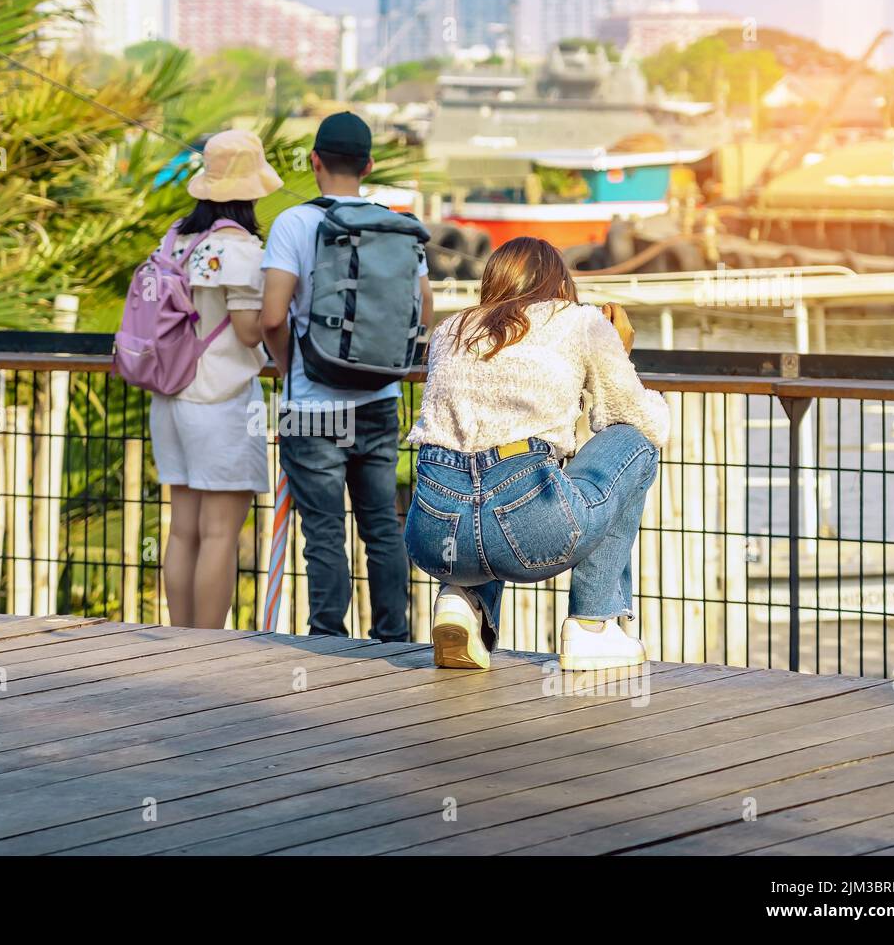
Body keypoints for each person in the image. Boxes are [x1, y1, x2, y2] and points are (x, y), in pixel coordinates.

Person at [404, 236, 670, 670]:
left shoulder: (450, 329)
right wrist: (617, 350)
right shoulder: (579, 320)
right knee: (636, 443)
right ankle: (592, 626)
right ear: (559, 283)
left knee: (477, 467)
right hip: (526, 526)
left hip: (435, 535)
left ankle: (461, 598)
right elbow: (641, 420)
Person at [260, 112, 434, 643]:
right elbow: (425, 310)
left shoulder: (294, 223)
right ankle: (393, 637)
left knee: (325, 532)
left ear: (315, 161)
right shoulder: (396, 226)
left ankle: (327, 639)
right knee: (382, 526)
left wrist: (291, 366)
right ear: (369, 166)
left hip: (312, 407)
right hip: (379, 399)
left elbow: (270, 316)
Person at [150, 129, 282, 629]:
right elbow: (250, 333)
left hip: (170, 399)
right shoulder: (242, 250)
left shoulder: (177, 239)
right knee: (221, 531)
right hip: (222, 402)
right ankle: (207, 646)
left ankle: (179, 637)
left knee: (183, 529)